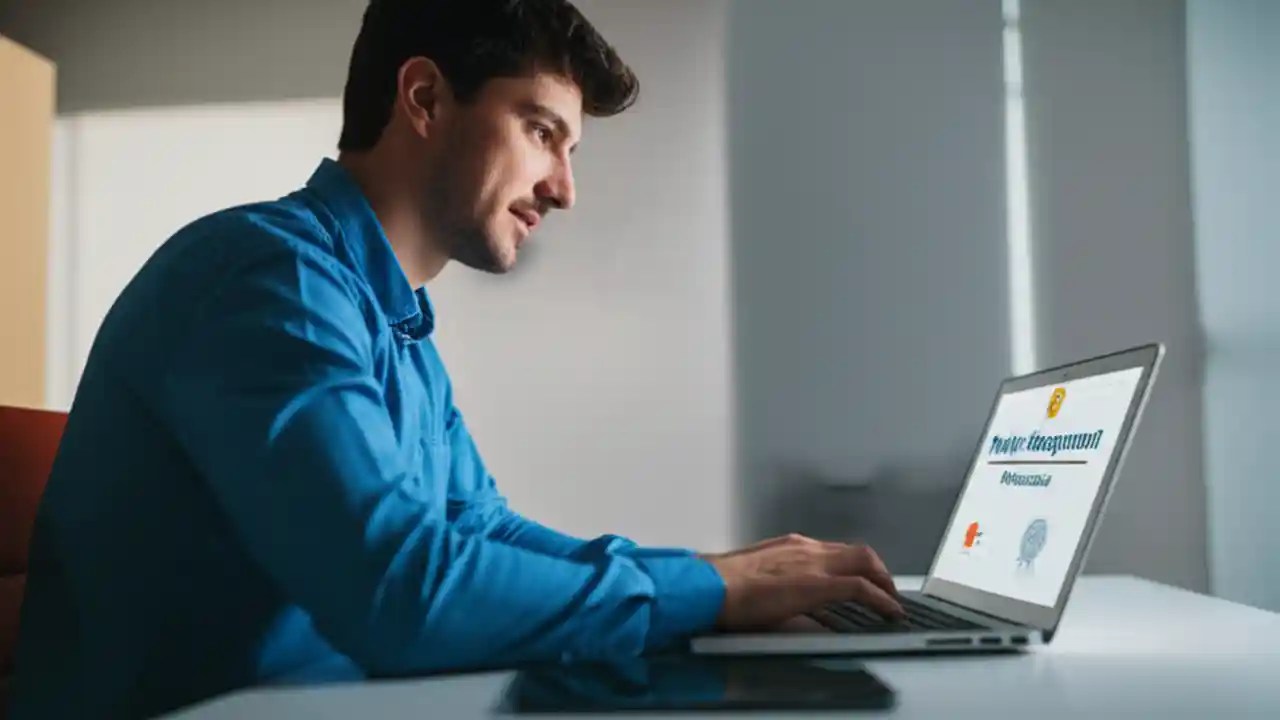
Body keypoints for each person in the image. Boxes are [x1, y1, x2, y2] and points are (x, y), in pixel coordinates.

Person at [11, 1, 902, 717]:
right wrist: (702, 592)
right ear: (426, 99)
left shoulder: (390, 320)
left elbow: (481, 532)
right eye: (542, 132)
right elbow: (400, 591)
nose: (565, 189)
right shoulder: (270, 279)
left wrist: (719, 581)